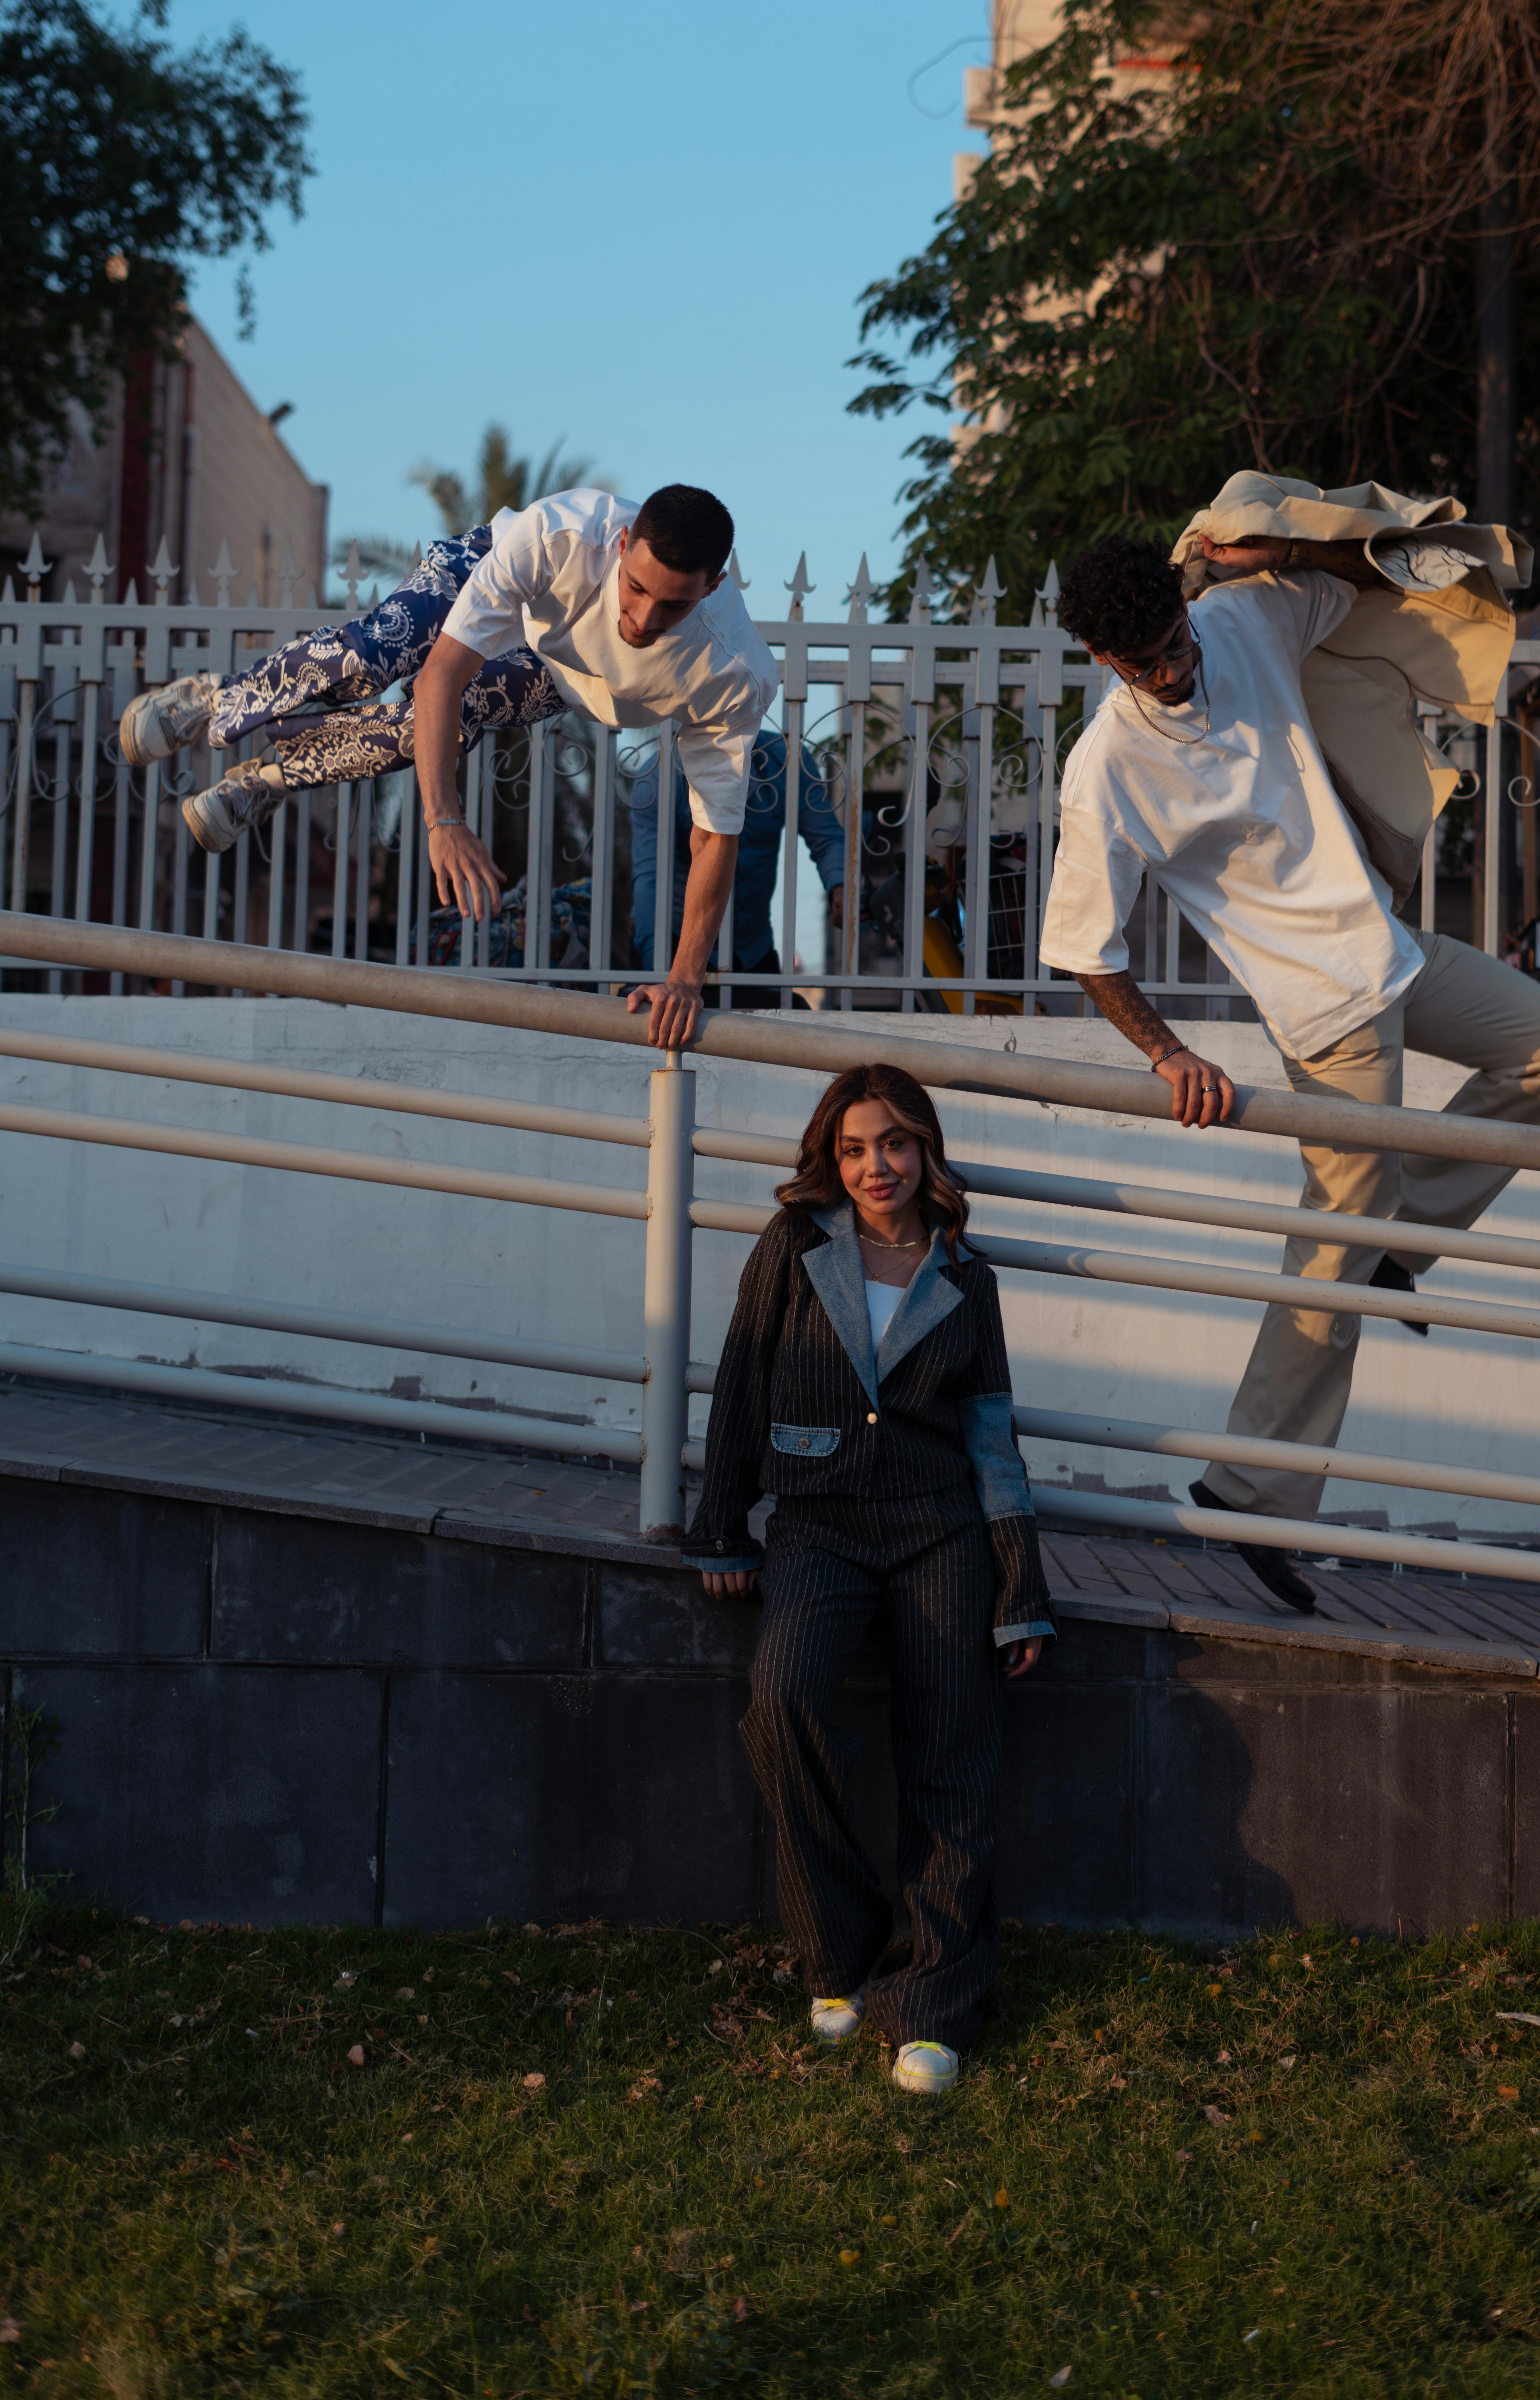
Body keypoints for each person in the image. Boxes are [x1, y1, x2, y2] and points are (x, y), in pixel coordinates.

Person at [1037, 502, 1540, 1615]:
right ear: (1104, 661)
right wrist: (1169, 1054)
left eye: (1179, 643)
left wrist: (1282, 549)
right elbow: (1086, 954)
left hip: (1394, 949)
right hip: (1323, 1014)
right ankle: (1252, 1490)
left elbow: (1378, 574)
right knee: (1328, 1253)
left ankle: (1408, 1237)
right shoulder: (1103, 770)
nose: (1178, 669)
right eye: (1149, 664)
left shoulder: (1241, 620)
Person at [683, 1063, 1054, 2095]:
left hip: (939, 1533)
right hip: (818, 1528)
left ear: (924, 1148)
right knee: (782, 1702)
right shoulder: (795, 1248)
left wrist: (1018, 1580)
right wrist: (721, 1530)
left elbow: (992, 1441)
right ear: (827, 1158)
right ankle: (838, 1952)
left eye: (892, 1142)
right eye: (852, 1148)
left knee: (952, 1751)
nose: (873, 1165)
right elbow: (741, 1378)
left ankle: (932, 2002)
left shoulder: (965, 1277)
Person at [118, 484, 778, 1048]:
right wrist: (443, 820)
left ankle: (271, 775)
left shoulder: (730, 671)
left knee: (431, 731)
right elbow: (441, 675)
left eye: (674, 606)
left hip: (565, 671)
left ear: (713, 587)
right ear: (622, 541)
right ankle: (213, 701)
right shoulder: (559, 534)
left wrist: (685, 978)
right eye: (635, 589)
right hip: (490, 571)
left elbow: (714, 834)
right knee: (383, 651)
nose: (642, 618)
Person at [630, 726, 846, 1002]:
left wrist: (839, 885)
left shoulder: (787, 760)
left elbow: (826, 839)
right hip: (675, 942)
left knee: (780, 1027)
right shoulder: (659, 776)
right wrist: (657, 969)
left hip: (752, 948)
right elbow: (651, 880)